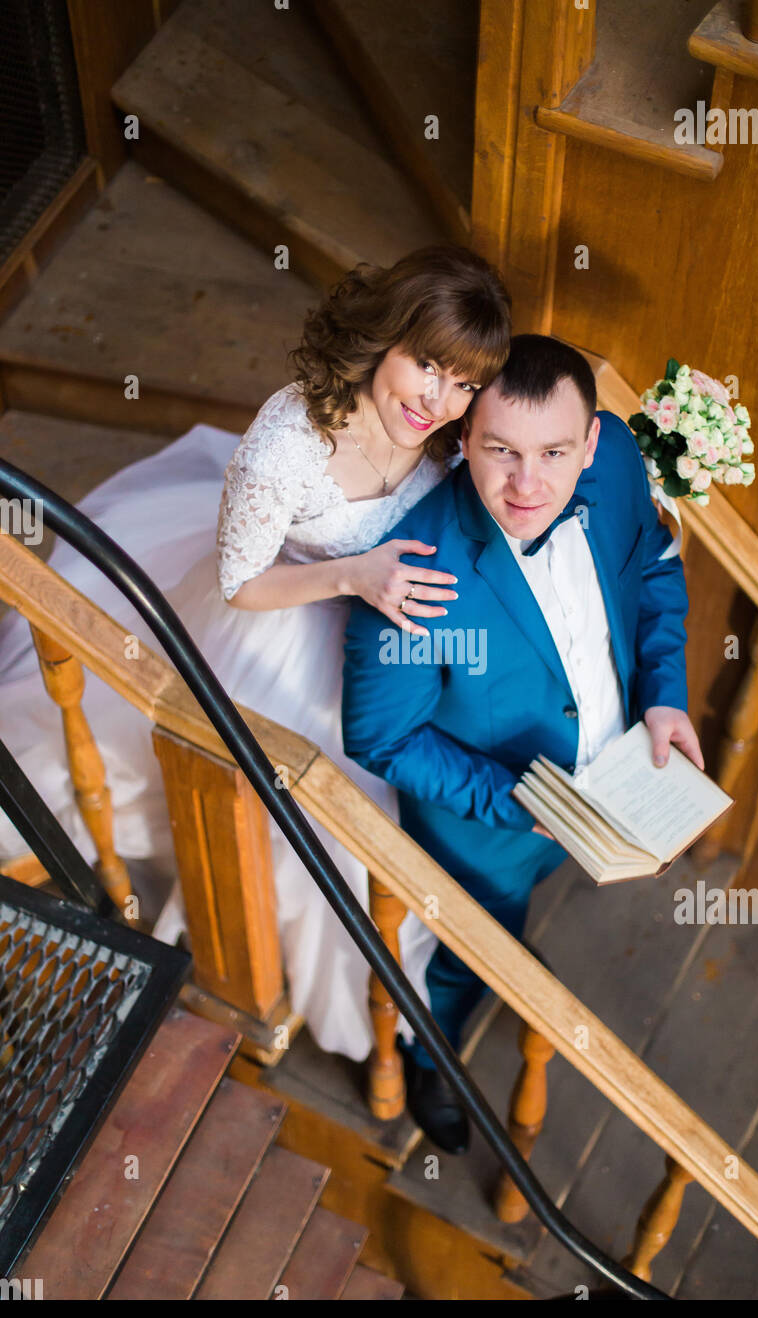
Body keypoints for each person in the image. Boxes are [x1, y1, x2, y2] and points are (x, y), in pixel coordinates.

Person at [0, 244, 512, 1061]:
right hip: (278, 617)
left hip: (380, 628)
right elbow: (240, 582)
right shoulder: (290, 439)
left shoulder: (450, 431)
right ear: (385, 336)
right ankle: (302, 982)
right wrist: (352, 575)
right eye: (426, 365)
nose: (438, 401)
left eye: (464, 384)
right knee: (311, 812)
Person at [342, 334, 704, 1152]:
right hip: (487, 826)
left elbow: (653, 567)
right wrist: (520, 802)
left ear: (593, 443)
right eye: (501, 450)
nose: (527, 485)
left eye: (553, 453)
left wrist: (664, 695)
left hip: (615, 767)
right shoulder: (412, 571)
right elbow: (380, 737)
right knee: (474, 946)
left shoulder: (619, 466)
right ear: (462, 437)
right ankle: (431, 1055)